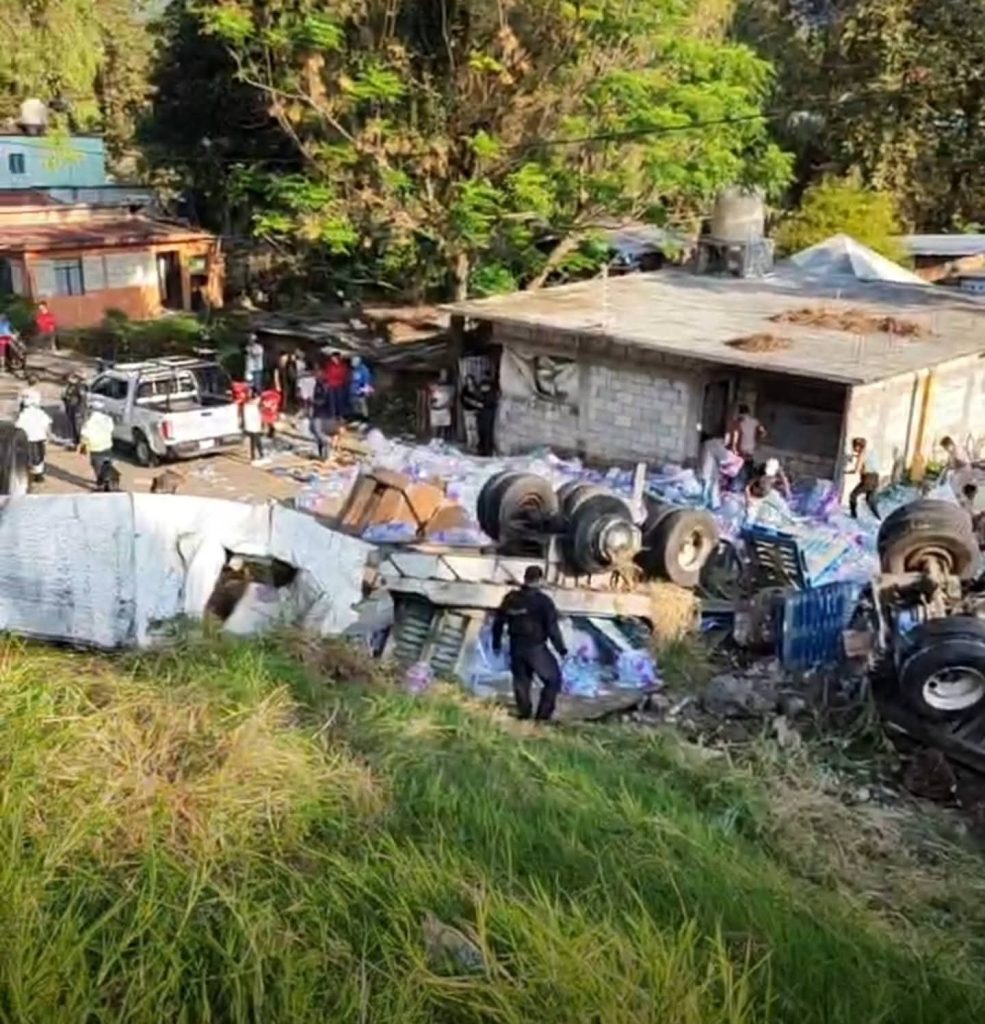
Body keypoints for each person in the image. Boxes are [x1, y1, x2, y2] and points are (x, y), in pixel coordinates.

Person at [492, 565, 568, 722]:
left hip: (515, 647)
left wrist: (496, 643)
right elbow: (552, 628)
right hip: (535, 648)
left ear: (525, 578)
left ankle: (524, 714)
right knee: (553, 679)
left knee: (521, 680)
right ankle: (542, 717)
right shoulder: (543, 602)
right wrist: (561, 649)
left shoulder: (511, 598)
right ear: (540, 580)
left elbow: (498, 622)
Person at [15, 394, 52, 485]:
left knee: (30, 456)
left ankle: (32, 473)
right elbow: (47, 424)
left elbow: (18, 426)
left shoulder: (23, 414)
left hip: (29, 438)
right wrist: (48, 436)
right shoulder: (40, 413)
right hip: (40, 437)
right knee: (40, 455)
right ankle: (38, 474)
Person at [728, 404, 765, 485]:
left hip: (740, 450)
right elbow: (763, 432)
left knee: (737, 469)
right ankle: (747, 485)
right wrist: (758, 442)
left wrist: (733, 448)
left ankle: (736, 486)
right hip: (751, 449)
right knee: (748, 468)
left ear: (739, 412)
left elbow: (735, 436)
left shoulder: (738, 422)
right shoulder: (755, 422)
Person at [80, 405, 116, 485]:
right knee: (107, 465)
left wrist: (83, 446)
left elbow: (85, 435)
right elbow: (111, 429)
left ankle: (101, 483)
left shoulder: (89, 422)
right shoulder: (107, 419)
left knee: (97, 466)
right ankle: (110, 480)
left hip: (95, 448)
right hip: (107, 446)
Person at [847, 437, 881, 520]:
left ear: (858, 446)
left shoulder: (862, 454)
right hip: (875, 479)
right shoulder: (872, 452)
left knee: (853, 495)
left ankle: (853, 515)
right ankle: (878, 518)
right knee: (870, 501)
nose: (854, 449)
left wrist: (846, 472)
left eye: (854, 447)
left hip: (867, 479)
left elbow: (856, 470)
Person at [697, 434, 731, 510]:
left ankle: (711, 504)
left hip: (704, 468)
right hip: (710, 470)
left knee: (707, 487)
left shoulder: (707, 443)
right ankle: (707, 504)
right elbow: (724, 459)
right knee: (709, 488)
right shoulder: (716, 444)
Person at [428, 368, 455, 441]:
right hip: (436, 408)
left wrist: (449, 404)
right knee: (436, 426)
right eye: (442, 373)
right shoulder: (436, 383)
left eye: (445, 373)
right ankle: (435, 440)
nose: (444, 374)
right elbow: (432, 393)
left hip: (445, 408)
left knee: (445, 426)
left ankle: (443, 440)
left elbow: (451, 395)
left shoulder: (450, 383)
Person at [476, 374, 498, 457]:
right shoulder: (481, 394)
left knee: (488, 435)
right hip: (481, 416)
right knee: (481, 433)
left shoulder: (491, 395)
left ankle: (487, 451)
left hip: (488, 416)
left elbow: (491, 404)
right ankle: (481, 450)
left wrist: (483, 405)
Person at [323, 351, 349, 420]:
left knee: (340, 401)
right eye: (332, 358)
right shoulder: (329, 365)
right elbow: (327, 374)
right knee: (332, 401)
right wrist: (327, 382)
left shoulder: (343, 365)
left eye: (334, 357)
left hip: (339, 385)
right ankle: (333, 415)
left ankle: (341, 415)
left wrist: (343, 382)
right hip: (331, 385)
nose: (333, 359)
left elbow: (344, 375)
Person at [62, 372, 86, 446]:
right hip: (71, 408)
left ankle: (78, 441)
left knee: (77, 425)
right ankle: (75, 440)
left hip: (77, 409)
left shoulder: (79, 387)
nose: (68, 380)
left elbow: (82, 399)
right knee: (72, 424)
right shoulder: (70, 386)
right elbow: (66, 395)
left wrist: (79, 409)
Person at [348, 355, 373, 421]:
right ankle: (357, 417)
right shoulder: (354, 370)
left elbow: (366, 381)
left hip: (361, 389)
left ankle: (365, 418)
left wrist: (365, 390)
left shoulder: (364, 370)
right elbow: (352, 380)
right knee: (355, 405)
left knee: (362, 404)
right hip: (354, 390)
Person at [242, 392, 265, 463]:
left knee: (257, 440)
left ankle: (260, 455)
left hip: (254, 425)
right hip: (253, 425)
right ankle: (254, 457)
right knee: (254, 440)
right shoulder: (250, 406)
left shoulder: (248, 406)